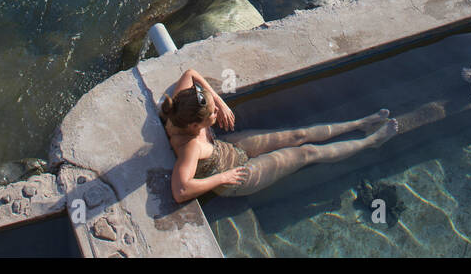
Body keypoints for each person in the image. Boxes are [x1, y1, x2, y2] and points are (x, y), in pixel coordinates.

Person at [161, 68, 398, 203]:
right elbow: (181, 191)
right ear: (194, 126)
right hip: (236, 176)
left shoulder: (182, 106)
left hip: (229, 148)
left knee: (298, 135)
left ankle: (358, 123)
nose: (215, 117)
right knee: (307, 152)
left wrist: (219, 102)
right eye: (211, 116)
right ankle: (371, 142)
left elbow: (190, 73)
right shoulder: (190, 147)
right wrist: (222, 179)